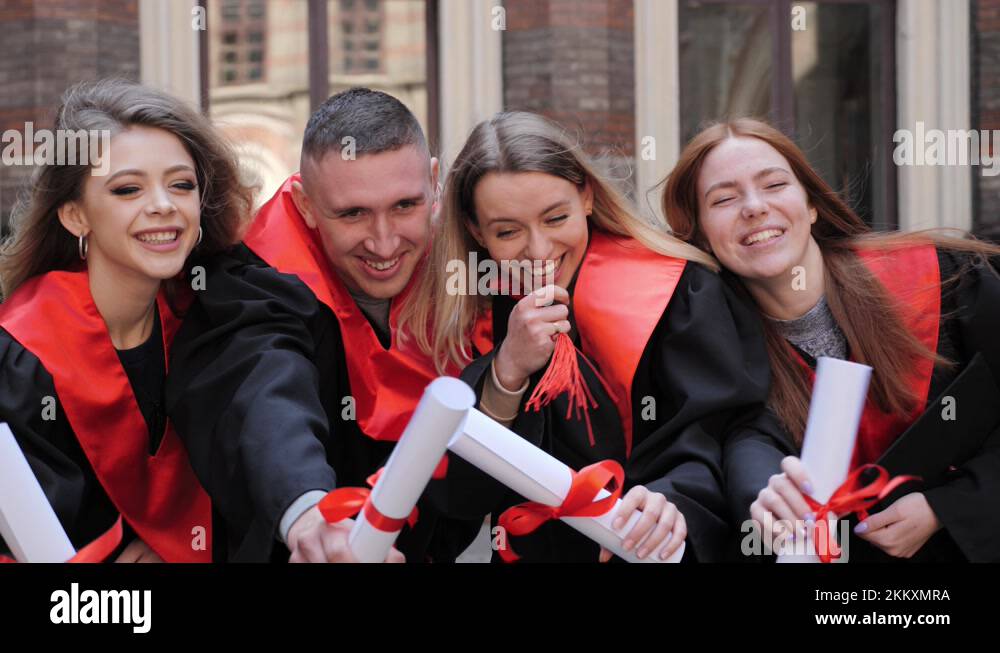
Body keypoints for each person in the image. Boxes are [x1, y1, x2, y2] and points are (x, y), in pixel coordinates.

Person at [402, 111, 776, 562]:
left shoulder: (675, 291)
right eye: (507, 231)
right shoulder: (464, 320)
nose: (538, 250)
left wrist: (672, 500)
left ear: (587, 196)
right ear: (477, 231)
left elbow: (720, 433)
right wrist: (507, 371)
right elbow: (460, 499)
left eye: (555, 218)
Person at [166, 87, 490, 563]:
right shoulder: (253, 286)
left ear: (435, 182)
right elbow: (263, 393)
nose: (384, 243)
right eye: (353, 213)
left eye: (405, 205)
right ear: (304, 205)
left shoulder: (476, 272)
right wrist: (309, 514)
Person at [662, 117, 1000, 562]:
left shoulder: (943, 278)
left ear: (812, 204)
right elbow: (742, 448)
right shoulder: (718, 353)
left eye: (774, 184)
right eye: (724, 198)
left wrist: (949, 507)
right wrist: (767, 498)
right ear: (702, 234)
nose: (754, 207)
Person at [0, 79, 251, 562]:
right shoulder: (22, 361)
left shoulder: (212, 317)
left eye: (182, 184)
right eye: (128, 188)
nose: (163, 205)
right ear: (75, 216)